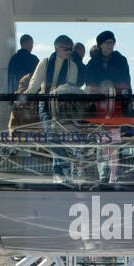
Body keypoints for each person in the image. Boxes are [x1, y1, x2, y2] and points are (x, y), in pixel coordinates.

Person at [24, 35, 85, 178]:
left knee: (61, 138)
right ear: (57, 48)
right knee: (51, 136)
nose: (69, 52)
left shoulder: (72, 66)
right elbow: (35, 84)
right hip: (45, 104)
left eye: (71, 49)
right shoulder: (44, 63)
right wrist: (25, 95)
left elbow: (69, 87)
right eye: (66, 49)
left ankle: (60, 173)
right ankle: (64, 169)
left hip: (64, 107)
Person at [83, 30, 134, 184]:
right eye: (107, 42)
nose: (110, 45)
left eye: (112, 42)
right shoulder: (93, 63)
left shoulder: (120, 61)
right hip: (99, 108)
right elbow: (88, 87)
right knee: (102, 142)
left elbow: (126, 84)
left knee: (114, 141)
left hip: (116, 107)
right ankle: (103, 173)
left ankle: (113, 174)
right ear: (100, 44)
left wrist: (116, 90)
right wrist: (103, 89)